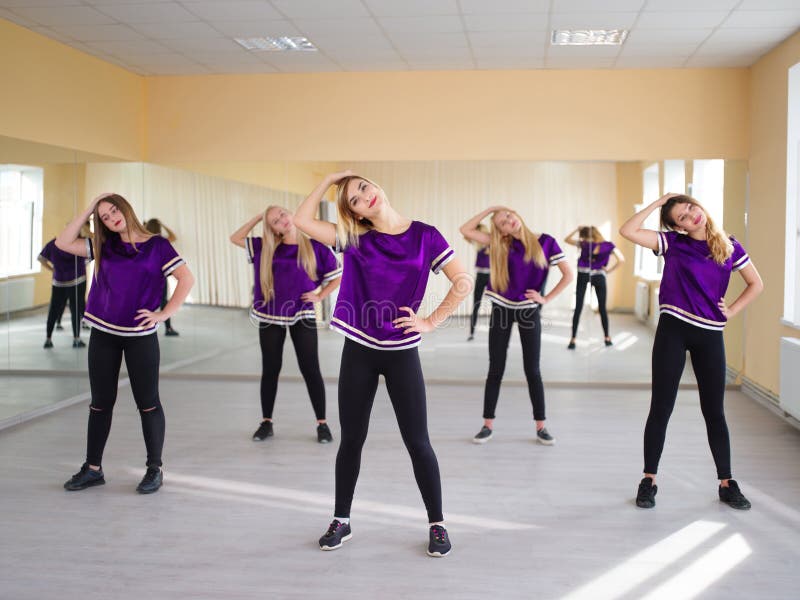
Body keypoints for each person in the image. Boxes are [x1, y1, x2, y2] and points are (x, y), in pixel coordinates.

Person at [294, 171, 471, 557]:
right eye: (354, 200)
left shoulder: (426, 235)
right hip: (359, 349)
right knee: (351, 440)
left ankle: (437, 524)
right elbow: (302, 220)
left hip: (402, 351)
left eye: (363, 187)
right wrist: (330, 179)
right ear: (355, 213)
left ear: (376, 186)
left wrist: (430, 322)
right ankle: (341, 520)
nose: (363, 196)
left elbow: (462, 281)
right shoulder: (354, 238)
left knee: (418, 442)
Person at [619, 193, 763, 510]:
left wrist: (732, 310)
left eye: (690, 208)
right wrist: (658, 204)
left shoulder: (729, 245)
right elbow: (627, 231)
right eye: (682, 217)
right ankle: (648, 480)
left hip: (710, 334)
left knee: (714, 412)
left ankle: (726, 483)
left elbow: (756, 283)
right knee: (661, 407)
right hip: (673, 329)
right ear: (678, 227)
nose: (691, 215)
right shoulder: (673, 243)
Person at [56, 193, 194, 494]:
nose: (112, 218)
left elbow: (186, 279)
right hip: (103, 332)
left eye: (114, 211)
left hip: (140, 336)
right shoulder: (103, 246)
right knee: (100, 403)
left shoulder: (157, 245)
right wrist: (89, 210)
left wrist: (164, 314)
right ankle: (93, 469)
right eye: (104, 217)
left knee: (148, 403)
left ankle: (154, 469)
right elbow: (63, 243)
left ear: (126, 208)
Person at [461, 206, 573, 446]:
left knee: (533, 370)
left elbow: (568, 275)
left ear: (517, 215)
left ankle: (541, 427)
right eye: (502, 222)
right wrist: (491, 210)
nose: (508, 221)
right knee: (495, 369)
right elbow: (466, 230)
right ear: (501, 231)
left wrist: (546, 298)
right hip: (501, 308)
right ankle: (487, 425)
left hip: (528, 311)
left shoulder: (546, 242)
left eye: (509, 215)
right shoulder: (500, 243)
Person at [230, 206, 342, 444]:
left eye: (282, 214)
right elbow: (235, 238)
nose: (282, 220)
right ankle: (266, 422)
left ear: (291, 214)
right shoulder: (265, 247)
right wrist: (258, 218)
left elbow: (338, 275)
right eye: (274, 221)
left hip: (302, 313)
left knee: (310, 369)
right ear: (273, 229)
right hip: (270, 315)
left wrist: (320, 296)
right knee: (270, 369)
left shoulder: (315, 247)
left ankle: (322, 424)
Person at [563, 226, 625, 349]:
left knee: (578, 307)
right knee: (602, 308)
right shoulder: (609, 245)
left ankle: (573, 340)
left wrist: (577, 229)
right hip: (599, 276)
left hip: (583, 275)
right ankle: (607, 338)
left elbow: (567, 239)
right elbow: (621, 260)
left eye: (583, 236)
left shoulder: (584, 244)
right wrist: (608, 270)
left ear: (585, 236)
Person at [38, 222, 91, 348]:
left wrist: (52, 270)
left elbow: (41, 258)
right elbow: (93, 251)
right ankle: (76, 339)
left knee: (53, 309)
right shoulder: (80, 243)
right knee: (76, 309)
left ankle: (48, 339)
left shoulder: (54, 243)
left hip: (59, 282)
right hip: (77, 281)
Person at [144, 218, 180, 336]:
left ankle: (143, 326)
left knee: (145, 300)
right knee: (163, 302)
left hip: (145, 276)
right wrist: (163, 224)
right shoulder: (161, 242)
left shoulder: (143, 240)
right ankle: (168, 328)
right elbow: (173, 236)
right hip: (159, 276)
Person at [466, 223, 490, 341]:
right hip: (480, 276)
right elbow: (466, 235)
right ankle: (471, 333)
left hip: (492, 276)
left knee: (496, 304)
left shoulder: (492, 242)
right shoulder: (477, 243)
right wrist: (474, 228)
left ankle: (496, 332)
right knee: (476, 304)